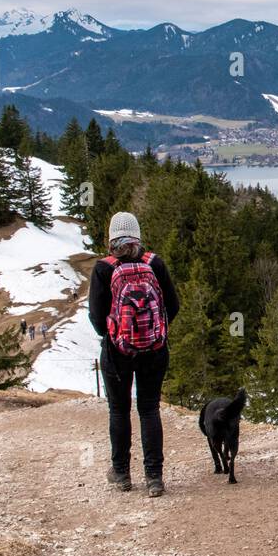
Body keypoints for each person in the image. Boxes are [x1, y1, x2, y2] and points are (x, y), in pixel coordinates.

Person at [88, 212, 178, 497]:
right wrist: (155, 332)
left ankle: (122, 474)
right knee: (149, 409)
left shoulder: (104, 268)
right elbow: (173, 306)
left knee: (119, 409)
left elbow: (96, 316)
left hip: (118, 353)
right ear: (138, 236)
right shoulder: (154, 263)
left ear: (112, 239)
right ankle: (154, 478)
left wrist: (115, 335)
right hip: (154, 350)